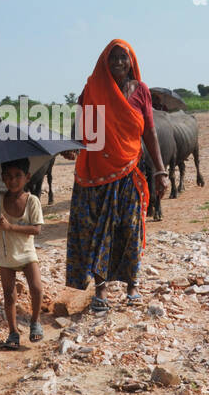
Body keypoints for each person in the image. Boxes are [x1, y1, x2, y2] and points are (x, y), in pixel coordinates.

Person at [66, 39, 168, 312]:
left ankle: (132, 285)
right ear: (104, 62)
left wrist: (160, 171)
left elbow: (150, 132)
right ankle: (101, 291)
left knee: (131, 228)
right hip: (98, 174)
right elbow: (80, 126)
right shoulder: (93, 89)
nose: (119, 63)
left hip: (130, 170)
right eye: (113, 59)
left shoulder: (141, 91)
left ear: (132, 60)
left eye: (123, 58)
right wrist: (72, 145)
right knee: (102, 231)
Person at [0, 158, 45, 349]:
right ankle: (13, 332)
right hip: (6, 254)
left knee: (37, 289)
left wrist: (10, 226)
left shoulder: (32, 200)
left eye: (17, 176)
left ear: (27, 177)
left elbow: (37, 229)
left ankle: (35, 322)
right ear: (2, 178)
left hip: (27, 253)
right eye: (7, 177)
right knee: (9, 294)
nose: (12, 181)